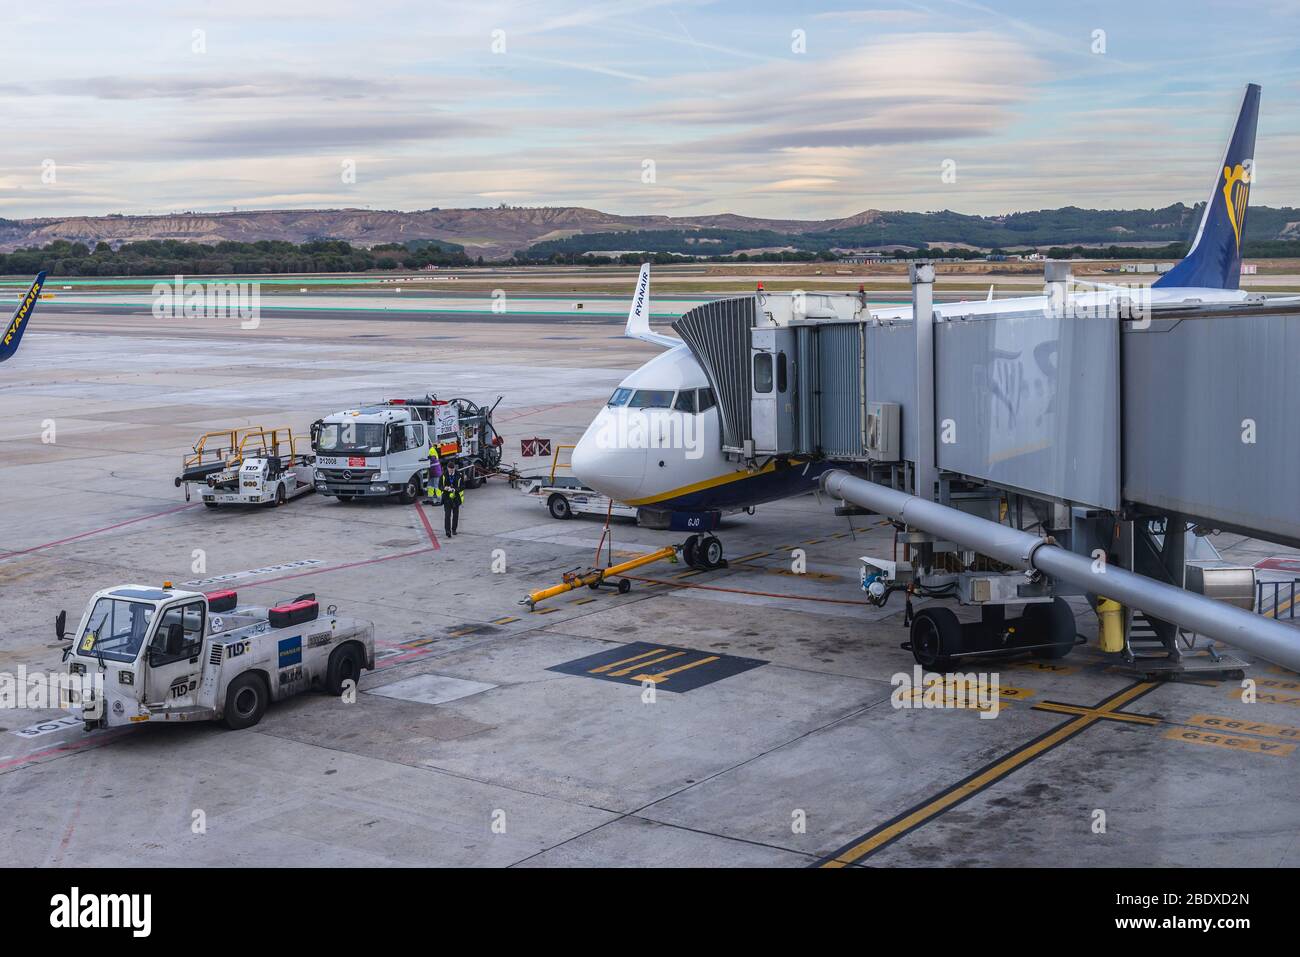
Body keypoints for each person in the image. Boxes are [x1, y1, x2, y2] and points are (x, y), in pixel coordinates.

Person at [441, 463, 465, 536]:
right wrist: (444, 488)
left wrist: (455, 489)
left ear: (454, 468)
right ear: (447, 468)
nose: (451, 471)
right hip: (447, 498)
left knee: (455, 515)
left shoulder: (459, 475)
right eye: (450, 470)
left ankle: (454, 529)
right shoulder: (443, 475)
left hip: (456, 498)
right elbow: (439, 485)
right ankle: (447, 531)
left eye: (452, 470)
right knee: (447, 515)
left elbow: (463, 486)